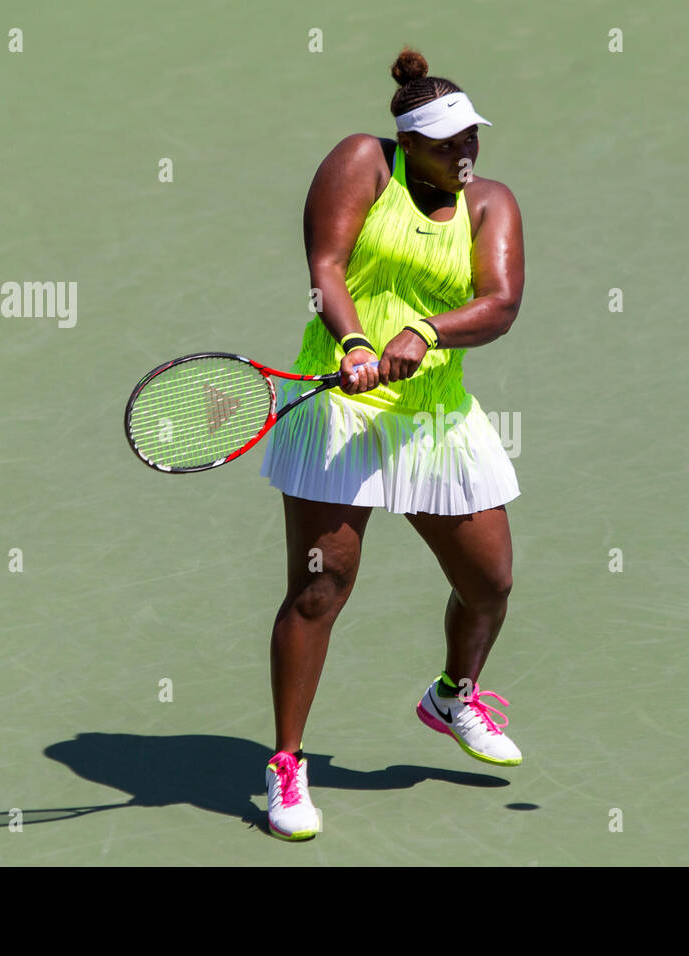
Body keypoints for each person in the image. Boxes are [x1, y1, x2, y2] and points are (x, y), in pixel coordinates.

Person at [256, 46, 526, 840]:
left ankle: (452, 694)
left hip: (436, 419)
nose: (466, 152)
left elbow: (500, 304)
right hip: (339, 413)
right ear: (409, 143)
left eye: (471, 136)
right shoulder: (361, 164)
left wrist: (422, 331)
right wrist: (351, 344)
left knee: (491, 585)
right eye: (448, 143)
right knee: (320, 589)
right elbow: (327, 265)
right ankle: (286, 767)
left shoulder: (491, 205)